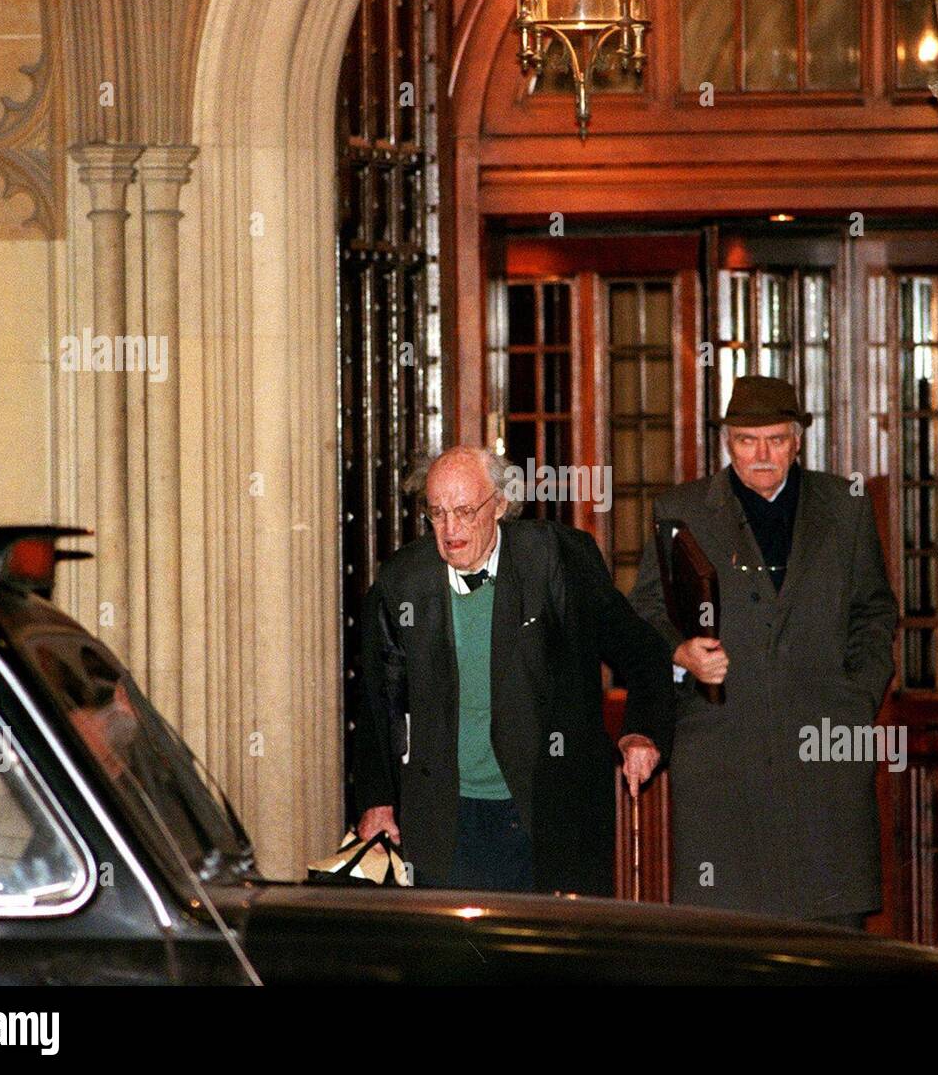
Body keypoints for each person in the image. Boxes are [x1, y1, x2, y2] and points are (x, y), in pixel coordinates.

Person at [629, 376, 899, 928]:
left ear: (799, 439)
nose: (762, 455)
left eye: (776, 439)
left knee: (832, 944)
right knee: (727, 942)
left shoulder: (844, 506)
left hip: (826, 760)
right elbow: (642, 615)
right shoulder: (682, 509)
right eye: (748, 441)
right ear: (727, 442)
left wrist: (856, 699)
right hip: (720, 763)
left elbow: (875, 612)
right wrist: (681, 653)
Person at [353, 446, 674, 894]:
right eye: (437, 513)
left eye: (465, 511)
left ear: (501, 504)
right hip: (448, 817)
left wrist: (640, 731)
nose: (450, 530)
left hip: (549, 810)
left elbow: (641, 650)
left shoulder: (557, 559)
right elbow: (378, 698)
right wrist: (377, 800)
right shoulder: (402, 580)